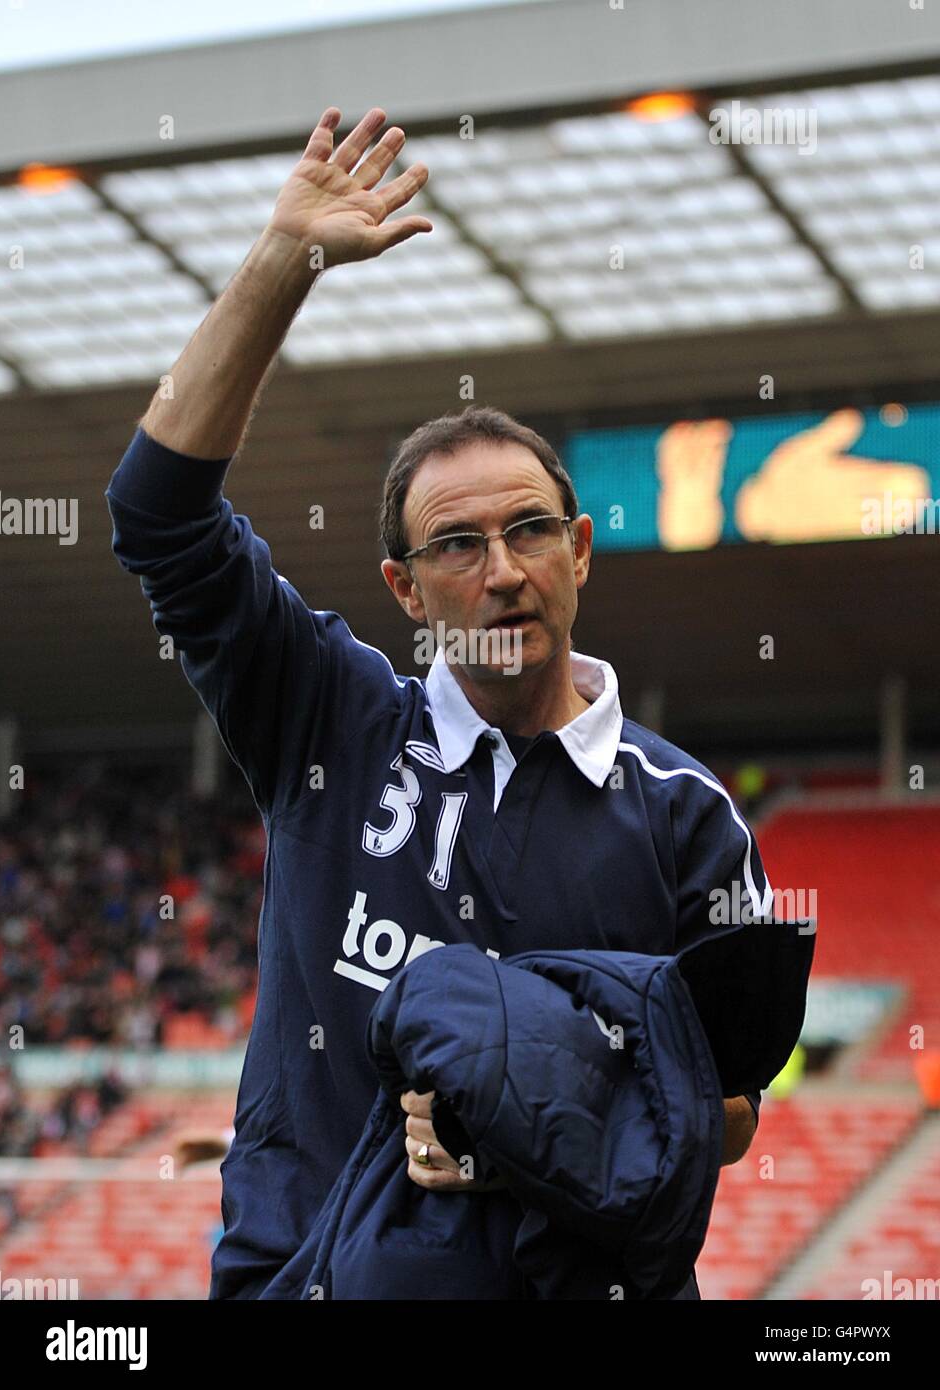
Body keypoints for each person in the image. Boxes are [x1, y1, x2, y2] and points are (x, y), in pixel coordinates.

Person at [106, 105, 766, 1300]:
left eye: (526, 530)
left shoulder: (690, 819)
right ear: (405, 590)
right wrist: (280, 263)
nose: (500, 568)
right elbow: (156, 514)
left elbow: (722, 1118)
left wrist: (520, 1111)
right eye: (456, 545)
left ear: (578, 550)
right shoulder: (332, 721)